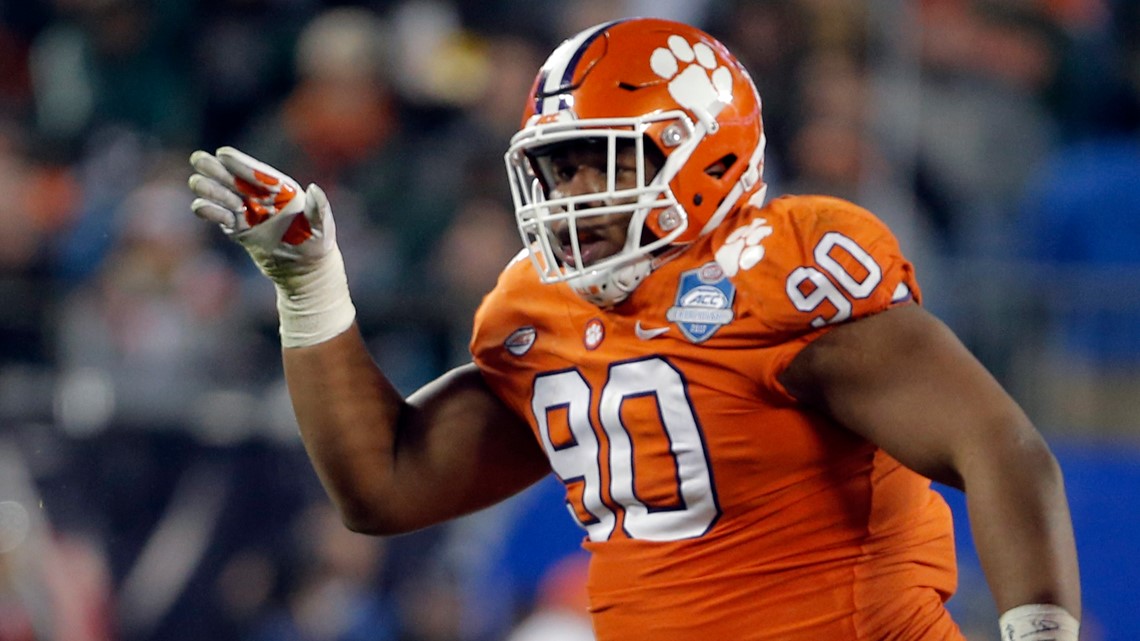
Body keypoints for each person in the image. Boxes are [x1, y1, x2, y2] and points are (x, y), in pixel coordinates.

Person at [188, 17, 1080, 641]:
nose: (574, 195)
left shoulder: (781, 267)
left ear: (709, 154)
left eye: (602, 162)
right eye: (558, 168)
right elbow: (383, 486)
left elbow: (999, 447)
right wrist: (311, 286)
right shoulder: (537, 308)